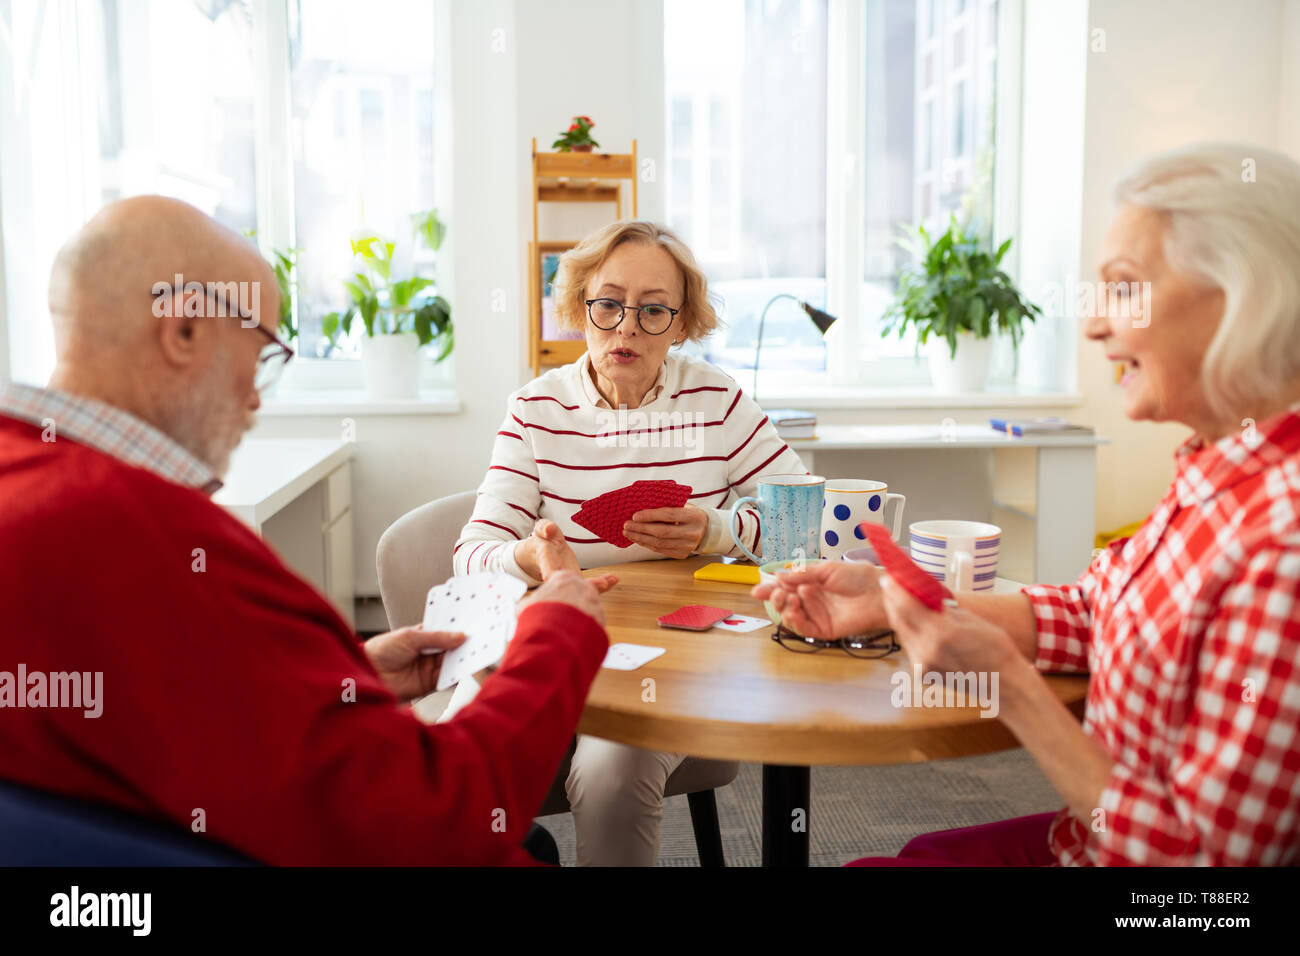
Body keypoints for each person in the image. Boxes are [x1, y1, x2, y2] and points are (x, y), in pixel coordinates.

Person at [0, 195, 612, 865]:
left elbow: (149, 720)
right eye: (262, 352)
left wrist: (344, 684)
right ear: (184, 331)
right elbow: (441, 816)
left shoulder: (32, 488)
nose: (258, 398)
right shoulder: (149, 536)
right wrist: (560, 631)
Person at [757, 142, 1300, 866]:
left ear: (1241, 297)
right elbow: (1096, 613)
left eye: (1124, 287)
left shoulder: (1280, 545)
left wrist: (1011, 688)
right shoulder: (1217, 467)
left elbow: (1203, 881)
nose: (1095, 326)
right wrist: (892, 601)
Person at [453, 219, 808, 865]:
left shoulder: (718, 402)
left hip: (672, 656)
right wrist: (531, 560)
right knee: (451, 782)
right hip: (548, 638)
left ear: (682, 322)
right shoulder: (536, 410)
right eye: (609, 304)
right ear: (580, 306)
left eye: (652, 312)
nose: (626, 329)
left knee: (613, 774)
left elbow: (809, 519)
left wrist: (720, 529)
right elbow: (473, 552)